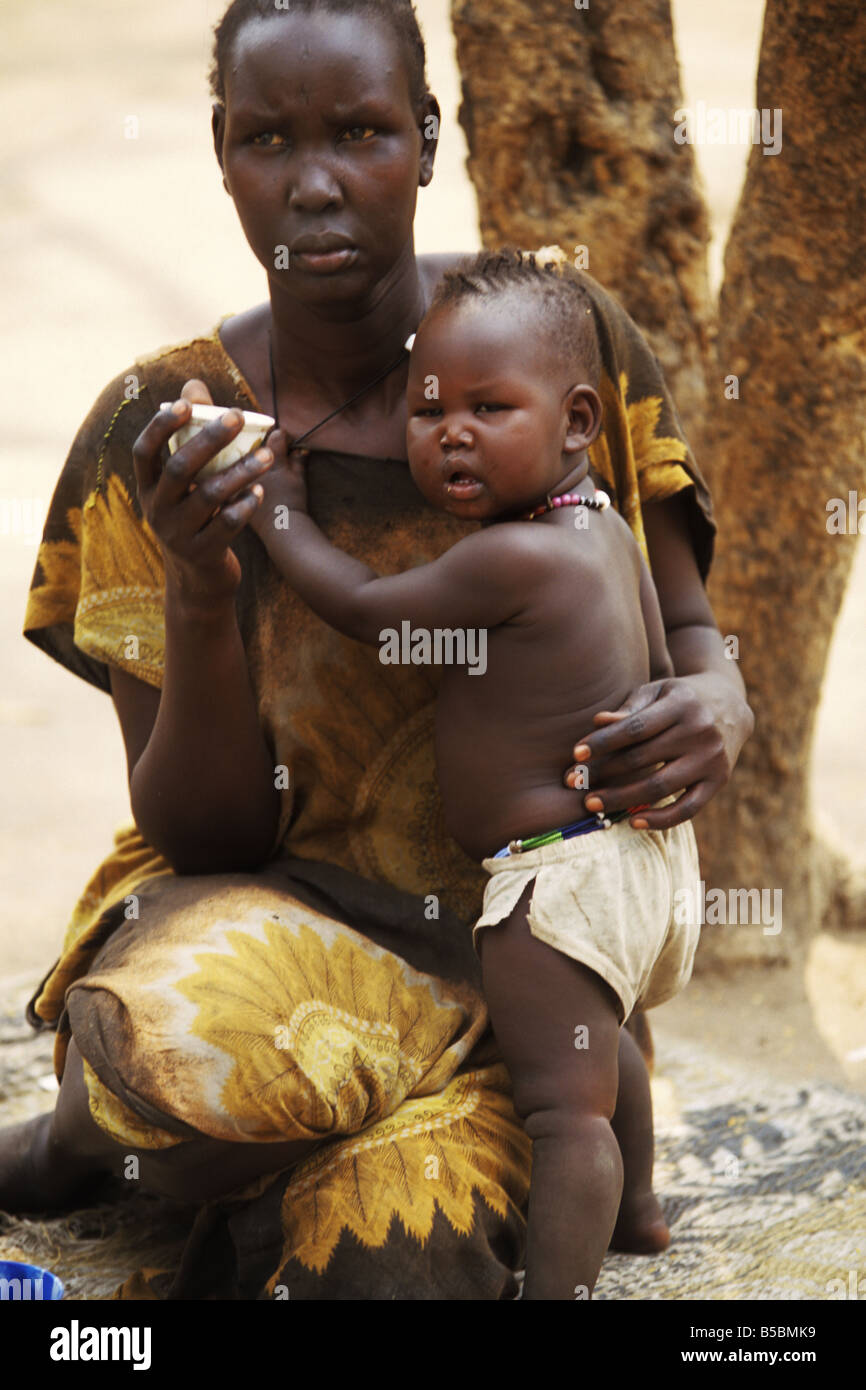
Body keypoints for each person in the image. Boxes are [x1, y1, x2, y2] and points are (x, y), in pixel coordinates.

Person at [4, 0, 752, 1299]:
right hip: (261, 915)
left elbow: (686, 629)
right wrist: (197, 584)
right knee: (165, 1062)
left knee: (400, 1258)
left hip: (519, 940)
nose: (313, 183)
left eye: (357, 132)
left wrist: (718, 700)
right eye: (267, 140)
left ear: (423, 136)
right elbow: (204, 830)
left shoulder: (560, 344)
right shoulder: (159, 427)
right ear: (221, 149)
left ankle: (246, 1174)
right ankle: (97, 1141)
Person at [245, 247, 703, 1298]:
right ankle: (636, 1214)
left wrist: (280, 514)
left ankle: (561, 1288)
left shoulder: (509, 558)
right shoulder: (604, 533)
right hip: (640, 862)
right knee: (605, 1036)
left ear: (579, 422)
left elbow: (365, 609)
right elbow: (666, 673)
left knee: (561, 1108)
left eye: (488, 408)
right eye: (426, 409)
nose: (450, 431)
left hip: (554, 875)